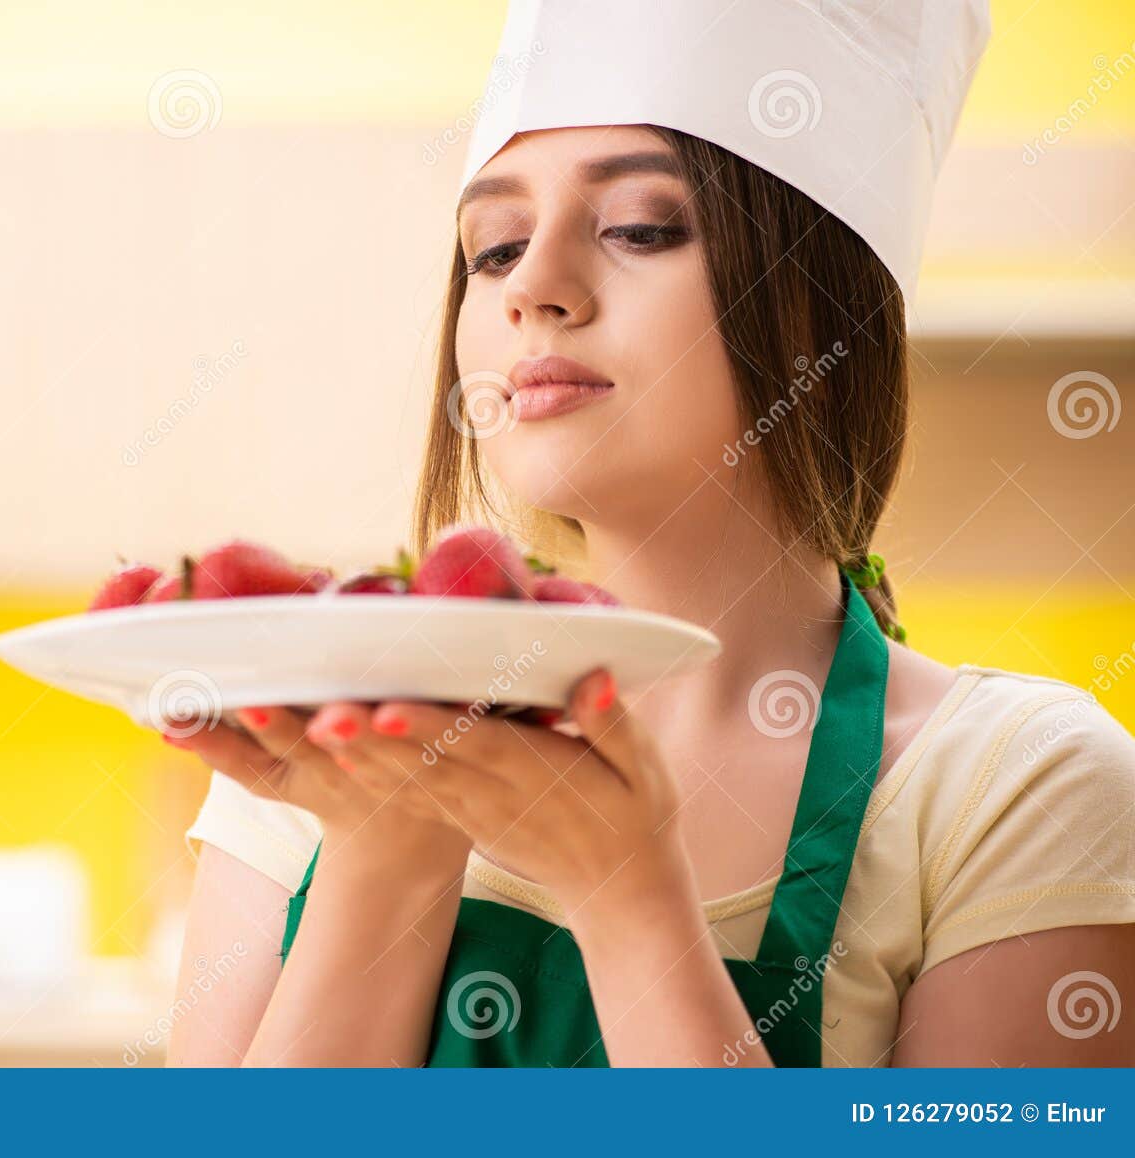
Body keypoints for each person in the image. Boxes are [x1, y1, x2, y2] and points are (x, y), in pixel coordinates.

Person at [161, 0, 1135, 1066]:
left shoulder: (1018, 789)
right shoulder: (332, 746)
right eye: (492, 247)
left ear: (819, 310)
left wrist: (629, 898)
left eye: (637, 228)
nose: (532, 287)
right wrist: (386, 853)